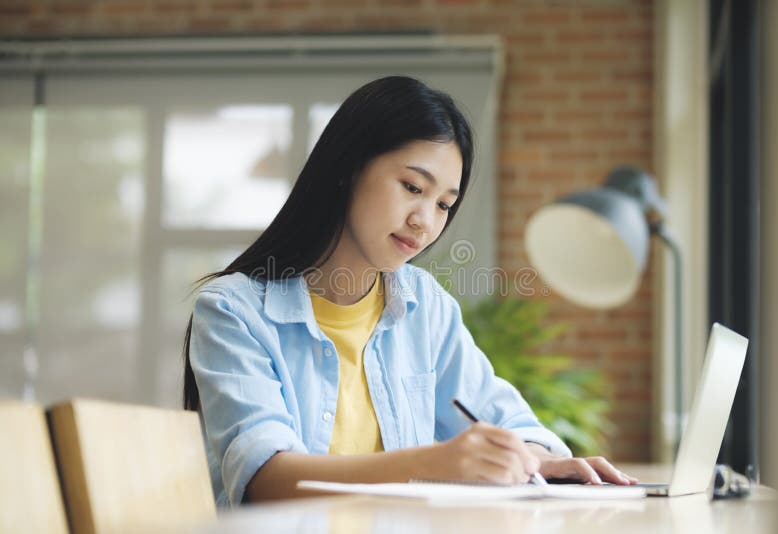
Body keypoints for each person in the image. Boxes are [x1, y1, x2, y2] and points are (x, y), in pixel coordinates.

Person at [182, 76, 637, 507]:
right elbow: (266, 480)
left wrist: (541, 460)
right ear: (348, 169)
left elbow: (515, 424)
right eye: (412, 187)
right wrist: (431, 463)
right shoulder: (232, 311)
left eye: (443, 204)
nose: (426, 221)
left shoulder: (426, 308)